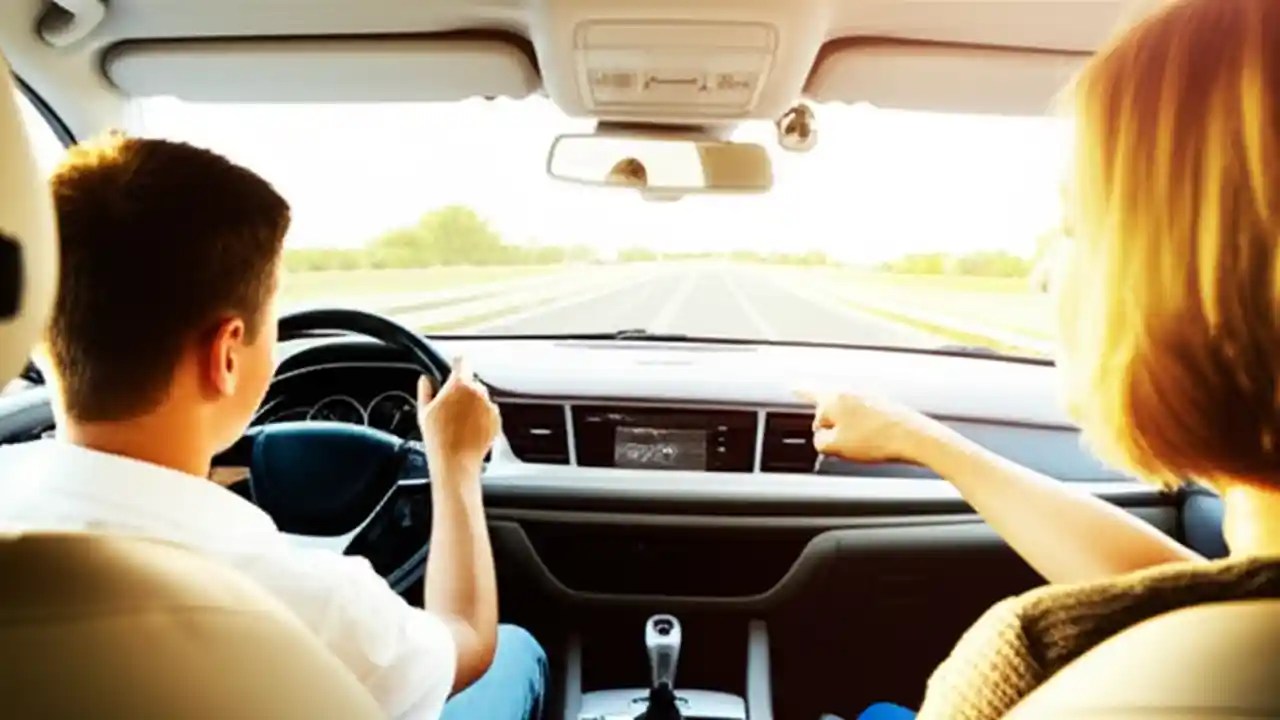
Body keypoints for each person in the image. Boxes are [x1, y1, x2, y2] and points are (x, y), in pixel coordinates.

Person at [802, 0, 1280, 718]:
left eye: (1075, 226)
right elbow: (1204, 590)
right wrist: (920, 440)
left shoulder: (1026, 667)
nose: (1045, 275)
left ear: (1202, 271)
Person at [0, 135, 546, 720]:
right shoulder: (316, 609)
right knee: (518, 650)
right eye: (272, 315)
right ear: (227, 353)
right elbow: (466, 634)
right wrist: (456, 464)